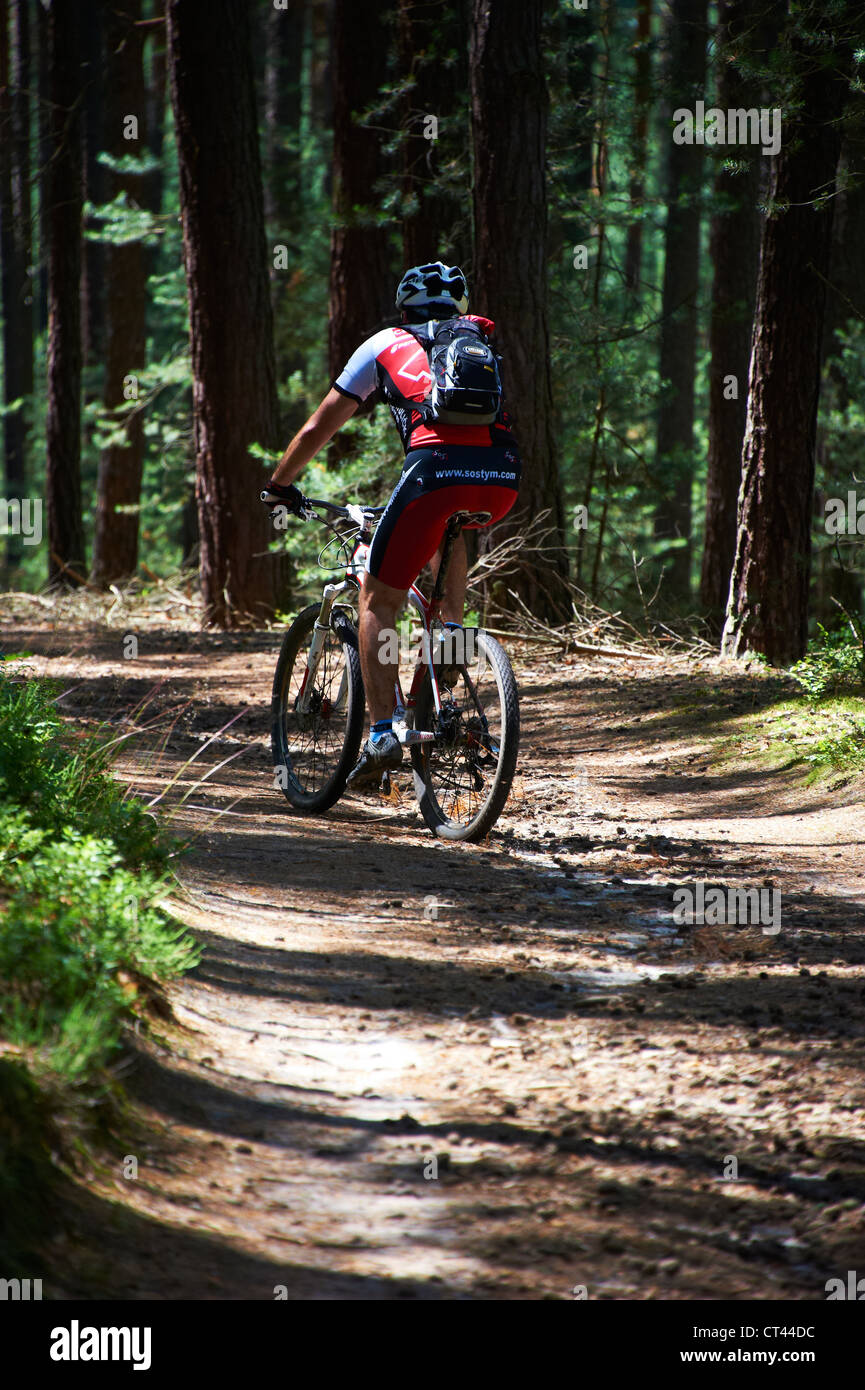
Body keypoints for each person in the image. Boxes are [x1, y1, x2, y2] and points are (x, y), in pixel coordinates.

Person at [262, 261, 521, 788]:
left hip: (434, 473)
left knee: (379, 599)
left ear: (405, 305)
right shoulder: (477, 340)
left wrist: (280, 485)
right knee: (451, 527)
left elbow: (318, 426)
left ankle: (383, 732)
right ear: (457, 305)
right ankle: (448, 638)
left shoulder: (384, 342)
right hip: (500, 477)